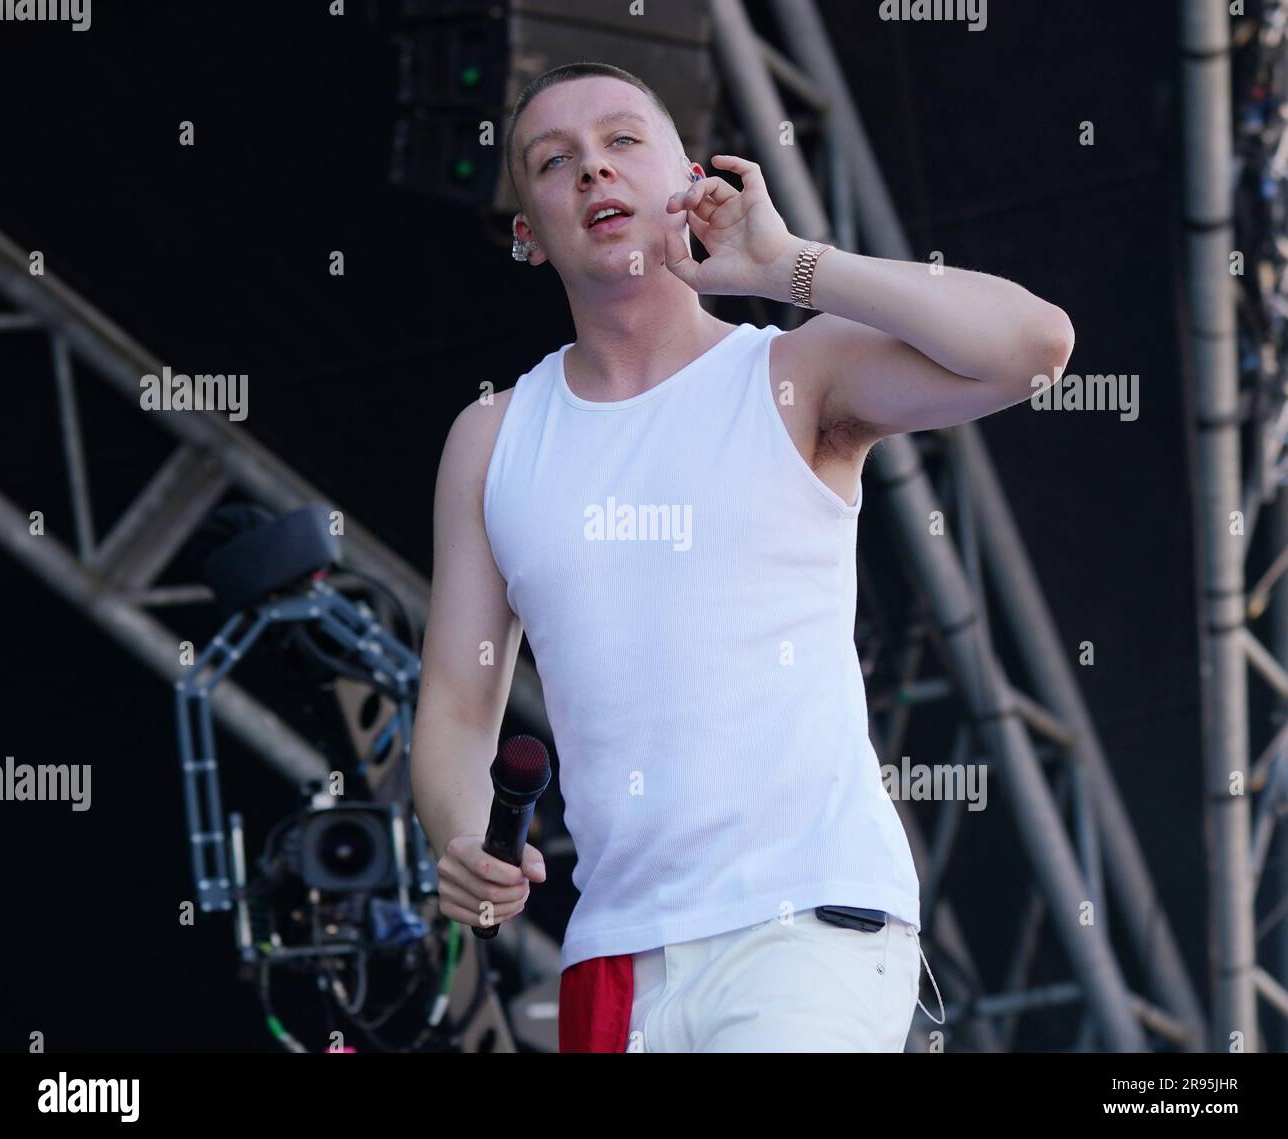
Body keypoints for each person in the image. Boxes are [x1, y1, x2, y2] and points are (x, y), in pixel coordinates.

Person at [410, 61, 1074, 1052]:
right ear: (525, 233)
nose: (593, 170)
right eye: (555, 163)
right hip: (614, 956)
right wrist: (462, 833)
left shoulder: (791, 371)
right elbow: (460, 705)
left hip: (803, 923)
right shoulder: (491, 437)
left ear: (690, 175)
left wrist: (789, 267)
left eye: (623, 141)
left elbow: (1033, 344)